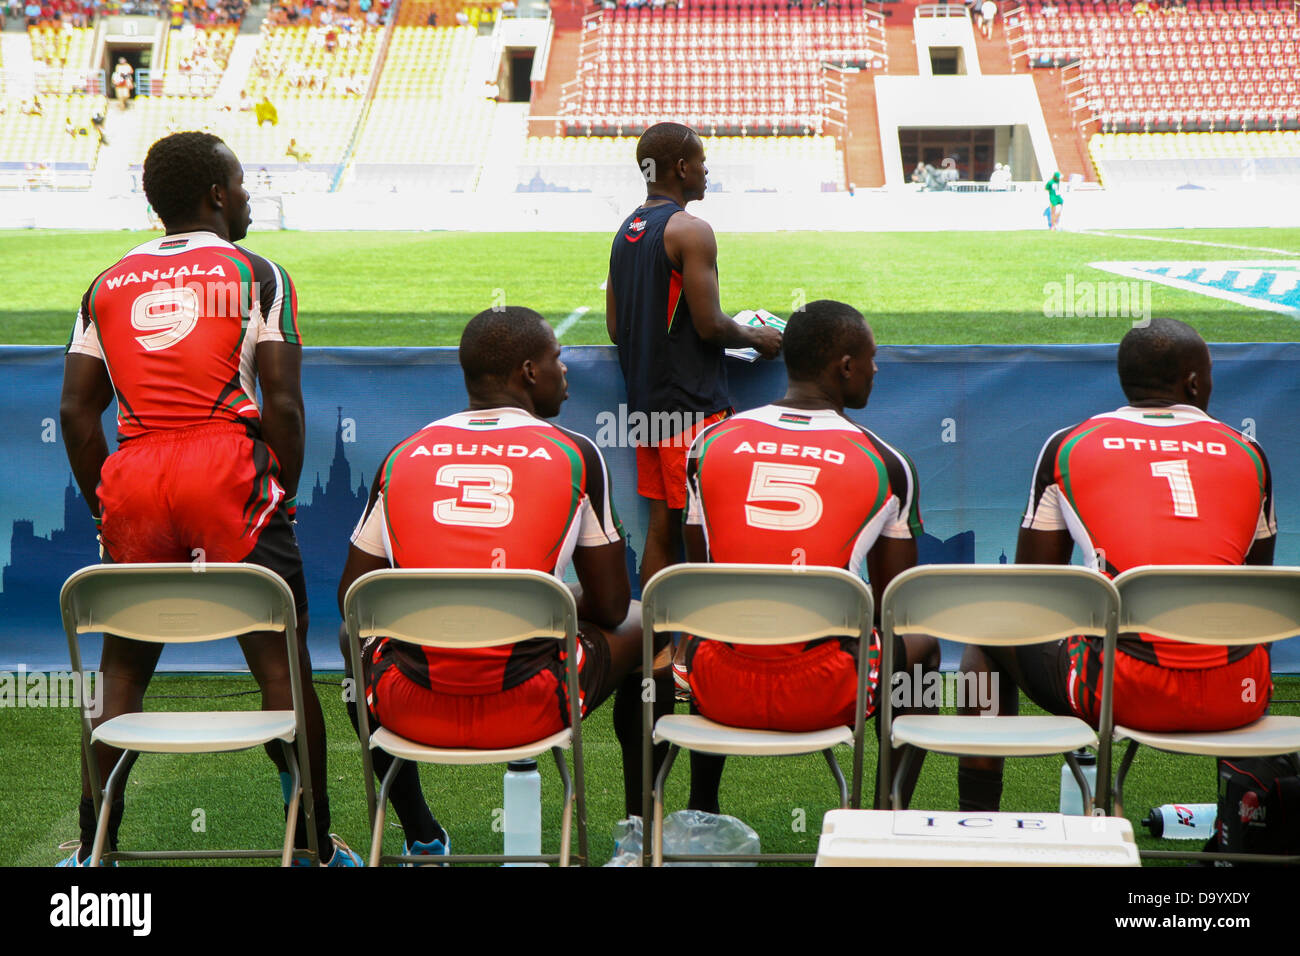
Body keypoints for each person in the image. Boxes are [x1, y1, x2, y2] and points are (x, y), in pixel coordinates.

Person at [58, 132, 361, 866]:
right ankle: (315, 850)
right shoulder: (258, 273)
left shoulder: (106, 282)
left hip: (136, 475)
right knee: (283, 670)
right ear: (217, 196)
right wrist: (276, 490)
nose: (250, 193)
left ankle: (92, 851)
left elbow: (75, 411)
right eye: (241, 181)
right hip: (228, 471)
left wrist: (109, 507)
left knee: (122, 673)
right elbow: (283, 405)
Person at [336, 307, 675, 859]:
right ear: (528, 372)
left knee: (358, 643)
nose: (564, 372)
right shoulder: (576, 454)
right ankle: (639, 835)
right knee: (651, 620)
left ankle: (421, 833)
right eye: (556, 360)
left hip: (408, 704)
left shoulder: (403, 454)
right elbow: (612, 606)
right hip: (533, 701)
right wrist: (550, 607)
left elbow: (353, 602)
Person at [957, 318, 1277, 811]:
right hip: (1239, 696)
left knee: (988, 631)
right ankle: (1242, 822)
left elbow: (1032, 592)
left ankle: (977, 826)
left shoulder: (1069, 444)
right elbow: (1256, 598)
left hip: (1117, 692)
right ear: (1193, 382)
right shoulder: (1249, 452)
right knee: (1232, 641)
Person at [680, 300, 940, 812]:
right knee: (923, 646)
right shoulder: (887, 461)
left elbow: (700, 576)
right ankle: (885, 817)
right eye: (870, 358)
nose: (875, 369)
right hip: (826, 691)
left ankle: (700, 812)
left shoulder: (710, 443)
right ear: (845, 366)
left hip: (717, 685)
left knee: (708, 623)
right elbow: (898, 608)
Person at [605, 121, 782, 605]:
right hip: (693, 409)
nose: (707, 169)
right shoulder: (691, 230)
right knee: (705, 528)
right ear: (681, 168)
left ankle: (656, 648)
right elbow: (710, 326)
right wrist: (756, 337)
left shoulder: (626, 230)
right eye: (702, 160)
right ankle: (696, 650)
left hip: (645, 407)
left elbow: (616, 329)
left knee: (662, 525)